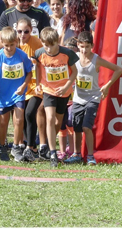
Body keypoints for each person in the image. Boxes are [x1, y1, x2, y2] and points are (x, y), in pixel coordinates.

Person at [63, 31, 122, 165]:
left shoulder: (96, 60)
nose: (84, 50)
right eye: (82, 46)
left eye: (87, 47)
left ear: (92, 46)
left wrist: (107, 86)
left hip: (93, 98)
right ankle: (77, 154)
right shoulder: (74, 58)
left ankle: (90, 156)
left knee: (86, 127)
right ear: (78, 45)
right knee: (77, 128)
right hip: (78, 98)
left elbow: (119, 70)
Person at [34, 27, 78, 167]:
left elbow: (75, 72)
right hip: (48, 90)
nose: (49, 49)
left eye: (52, 45)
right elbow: (37, 67)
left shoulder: (67, 53)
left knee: (57, 123)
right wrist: (37, 83)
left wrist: (66, 87)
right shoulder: (39, 53)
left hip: (64, 91)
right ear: (41, 43)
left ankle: (50, 143)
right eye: (45, 45)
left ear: (57, 42)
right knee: (50, 118)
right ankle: (52, 153)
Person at [0, 26, 33, 162]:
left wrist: (24, 86)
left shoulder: (21, 55)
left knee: (19, 120)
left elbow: (29, 73)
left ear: (16, 42)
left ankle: (16, 146)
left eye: (12, 45)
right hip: (3, 94)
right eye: (6, 45)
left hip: (18, 92)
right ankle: (2, 146)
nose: (9, 48)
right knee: (3, 122)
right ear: (1, 43)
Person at [16, 17, 45, 160]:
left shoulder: (37, 44)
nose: (22, 35)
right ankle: (29, 146)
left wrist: (40, 83)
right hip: (21, 86)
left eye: (26, 31)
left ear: (31, 30)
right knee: (22, 117)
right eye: (19, 31)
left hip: (35, 86)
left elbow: (42, 65)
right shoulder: (15, 44)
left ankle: (31, 147)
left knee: (29, 113)